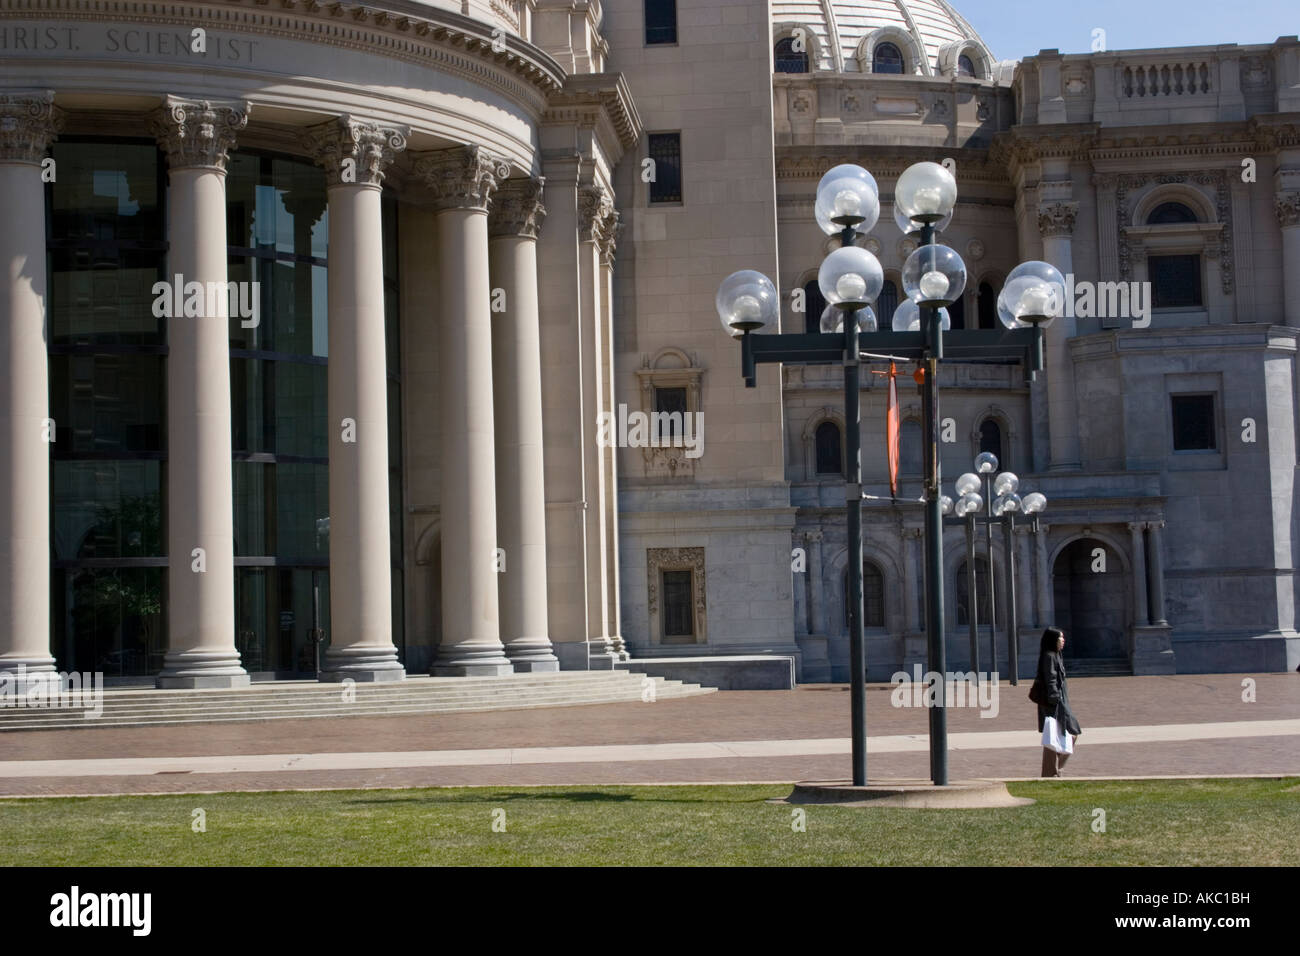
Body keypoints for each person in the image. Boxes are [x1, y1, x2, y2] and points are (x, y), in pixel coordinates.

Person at [1036, 626, 1081, 777]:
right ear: (1053, 640)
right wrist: (1055, 701)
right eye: (1060, 638)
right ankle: (1052, 771)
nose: (1063, 640)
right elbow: (1050, 680)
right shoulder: (1049, 656)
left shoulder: (1056, 655)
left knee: (1058, 735)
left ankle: (1053, 770)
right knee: (1066, 733)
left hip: (1058, 700)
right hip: (1054, 702)